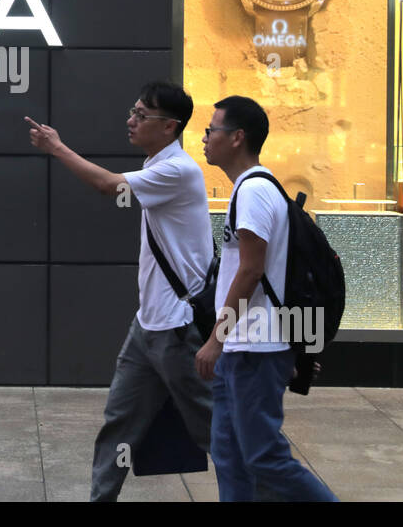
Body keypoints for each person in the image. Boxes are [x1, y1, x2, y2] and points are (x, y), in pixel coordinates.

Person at [26, 80, 215, 502]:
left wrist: (57, 147)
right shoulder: (156, 167)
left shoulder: (178, 170)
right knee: (119, 423)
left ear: (169, 127)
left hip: (178, 331)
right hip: (148, 327)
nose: (130, 121)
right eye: (132, 111)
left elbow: (111, 187)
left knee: (214, 428)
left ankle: (262, 489)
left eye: (141, 115)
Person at [195, 95, 338, 501]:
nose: (205, 138)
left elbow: (251, 270)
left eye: (211, 130)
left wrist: (214, 339)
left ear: (238, 137)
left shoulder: (255, 191)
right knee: (229, 455)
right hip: (244, 346)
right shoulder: (253, 187)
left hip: (256, 345)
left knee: (263, 457)